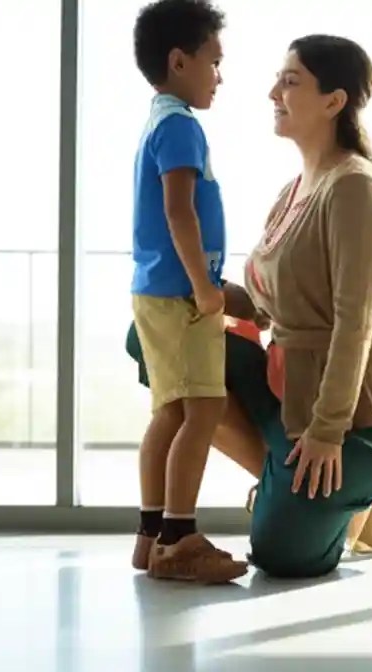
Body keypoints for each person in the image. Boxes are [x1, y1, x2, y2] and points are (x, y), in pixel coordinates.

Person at [128, 34, 372, 578]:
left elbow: (355, 324)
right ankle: (283, 478)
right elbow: (265, 310)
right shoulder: (290, 193)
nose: (273, 93)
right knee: (156, 335)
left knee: (281, 556)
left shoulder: (356, 188)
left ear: (334, 101)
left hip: (363, 422)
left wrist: (327, 431)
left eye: (290, 82)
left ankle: (342, 495)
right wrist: (197, 292)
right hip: (290, 398)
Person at [127, 0, 246, 583]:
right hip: (181, 296)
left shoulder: (161, 120)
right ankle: (179, 539)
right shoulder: (179, 126)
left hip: (159, 292)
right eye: (214, 62)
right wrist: (206, 288)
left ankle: (151, 535)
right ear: (179, 62)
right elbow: (180, 211)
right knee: (204, 410)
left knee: (172, 412)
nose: (219, 77)